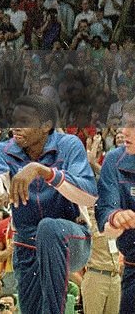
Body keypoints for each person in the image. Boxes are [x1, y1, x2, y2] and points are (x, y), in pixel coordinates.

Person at [0, 95, 97, 314]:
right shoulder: (4, 150)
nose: (15, 127)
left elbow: (90, 196)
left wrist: (44, 171)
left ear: (46, 126)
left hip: (71, 238)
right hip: (27, 244)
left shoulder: (69, 144)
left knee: (49, 227)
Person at [95, 98, 135, 312]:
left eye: (133, 125)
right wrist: (115, 217)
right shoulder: (113, 160)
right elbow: (105, 209)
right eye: (124, 123)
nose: (124, 131)